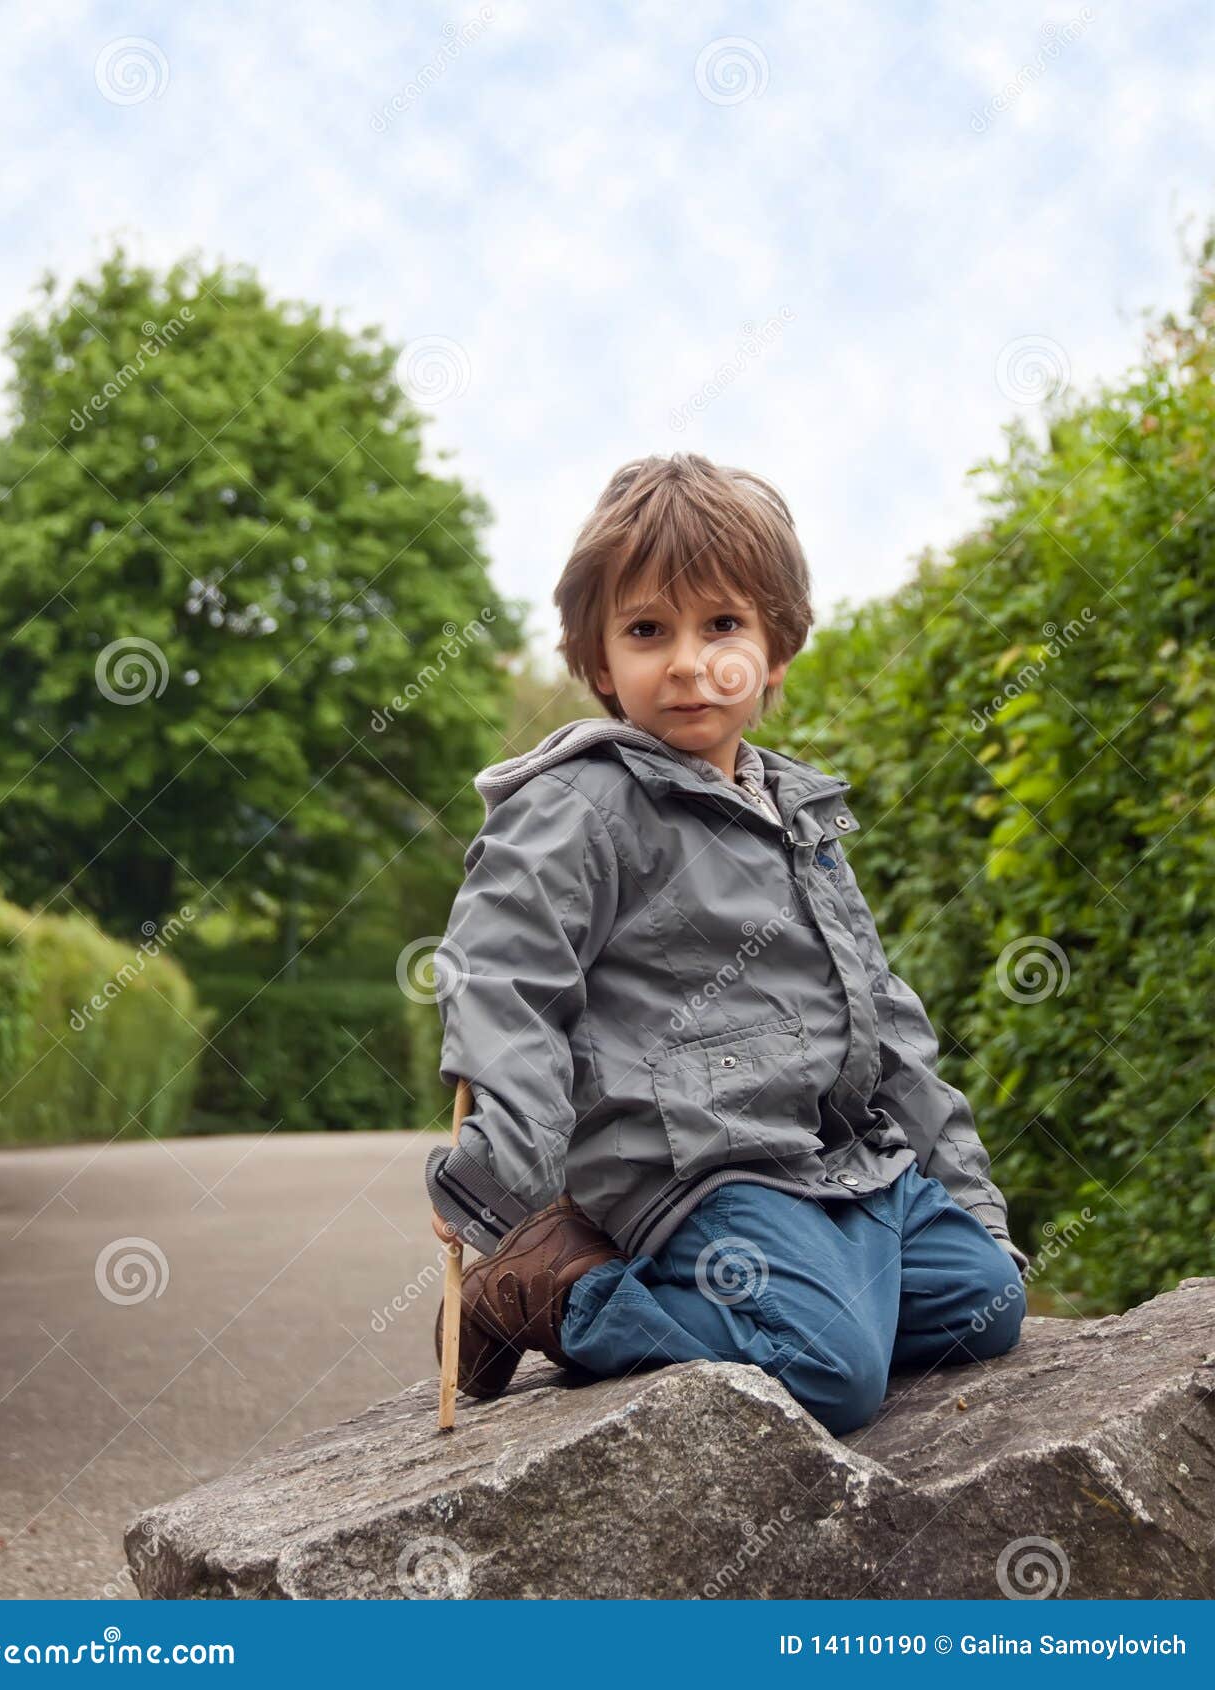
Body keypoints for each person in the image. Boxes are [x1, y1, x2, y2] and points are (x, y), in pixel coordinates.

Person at [425, 451, 1027, 1437]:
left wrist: (968, 1199)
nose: (688, 660)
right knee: (830, 1371)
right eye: (647, 630)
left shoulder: (805, 815)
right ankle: (553, 1288)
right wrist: (499, 1172)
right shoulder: (575, 809)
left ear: (775, 649)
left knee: (986, 1304)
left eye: (722, 626)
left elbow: (883, 1011)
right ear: (597, 660)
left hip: (838, 1164)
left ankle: (822, 1294)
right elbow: (507, 983)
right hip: (698, 1170)